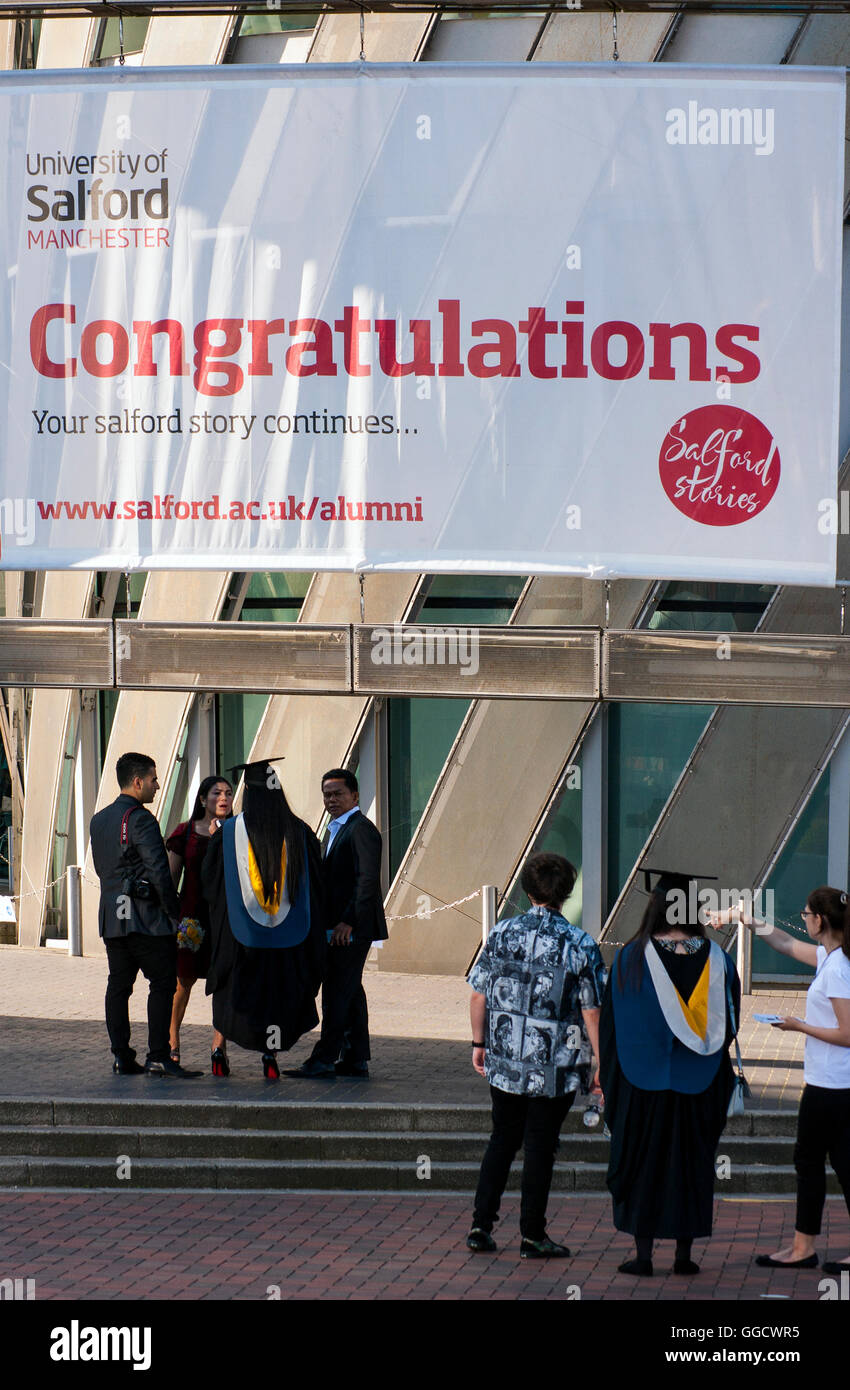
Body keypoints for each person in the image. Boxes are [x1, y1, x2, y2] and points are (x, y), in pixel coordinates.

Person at [601, 868, 740, 1277]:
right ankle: (684, 1256)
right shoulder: (718, 958)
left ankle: (643, 1256)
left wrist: (609, 1081)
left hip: (640, 1082)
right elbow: (729, 1025)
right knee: (691, 1165)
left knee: (643, 1164)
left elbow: (611, 1028)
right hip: (699, 1081)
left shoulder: (631, 956)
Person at [465, 852, 605, 1258]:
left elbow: (478, 993)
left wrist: (479, 1043)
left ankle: (480, 1225)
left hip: (505, 1059)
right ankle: (532, 1234)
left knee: (502, 1139)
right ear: (566, 893)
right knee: (541, 1145)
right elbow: (592, 1011)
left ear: (527, 891)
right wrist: (601, 1063)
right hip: (556, 1065)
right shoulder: (580, 943)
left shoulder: (501, 933)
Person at [713, 887, 850, 1274]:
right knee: (828, 1162)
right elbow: (787, 944)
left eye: (806, 913)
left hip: (832, 1086)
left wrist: (797, 1026)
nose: (803, 918)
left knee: (811, 1161)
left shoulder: (838, 968)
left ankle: (802, 1248)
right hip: (831, 1084)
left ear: (820, 921)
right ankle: (802, 1246)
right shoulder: (832, 956)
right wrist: (746, 918)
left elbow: (848, 1033)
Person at [201, 758, 326, 1080]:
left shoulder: (228, 833)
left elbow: (210, 886)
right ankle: (270, 1056)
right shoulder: (299, 831)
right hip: (290, 939)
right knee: (276, 995)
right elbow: (318, 885)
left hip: (241, 940)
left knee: (234, 991)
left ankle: (219, 1051)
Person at [89, 751, 202, 1078]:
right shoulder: (140, 819)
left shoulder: (99, 819)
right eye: (153, 779)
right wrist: (175, 914)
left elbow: (102, 869)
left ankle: (122, 1057)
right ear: (137, 782)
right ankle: (158, 1055)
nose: (157, 785)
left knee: (119, 985)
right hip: (147, 920)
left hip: (113, 918)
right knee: (163, 984)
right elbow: (159, 872)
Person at [286, 768, 387, 1081]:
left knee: (336, 992)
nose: (331, 800)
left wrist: (348, 922)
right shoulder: (335, 829)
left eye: (337, 794)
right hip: (335, 928)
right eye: (327, 795)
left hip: (351, 929)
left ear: (354, 796)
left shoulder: (361, 829)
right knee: (349, 990)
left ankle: (324, 1058)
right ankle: (356, 1058)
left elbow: (367, 881)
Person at [166, 775, 234, 1070]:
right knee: (183, 981)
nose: (224, 798)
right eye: (217, 793)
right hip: (191, 918)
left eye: (229, 793)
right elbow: (169, 879)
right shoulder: (185, 832)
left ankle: (218, 1048)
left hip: (227, 919)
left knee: (225, 983)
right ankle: (171, 1041)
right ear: (203, 798)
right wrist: (170, 919)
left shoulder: (237, 832)